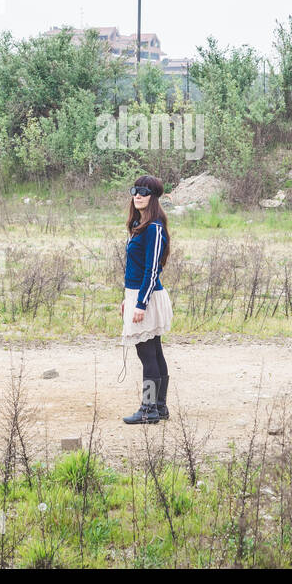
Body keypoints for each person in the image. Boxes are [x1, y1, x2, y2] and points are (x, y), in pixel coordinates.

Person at [119, 175, 173, 424]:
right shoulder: (140, 225)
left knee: (148, 355)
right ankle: (159, 407)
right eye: (135, 190)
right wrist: (127, 299)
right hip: (138, 294)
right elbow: (135, 268)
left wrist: (140, 303)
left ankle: (149, 408)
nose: (138, 195)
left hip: (147, 297)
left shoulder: (153, 228)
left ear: (154, 197)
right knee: (154, 352)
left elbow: (152, 270)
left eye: (144, 191)